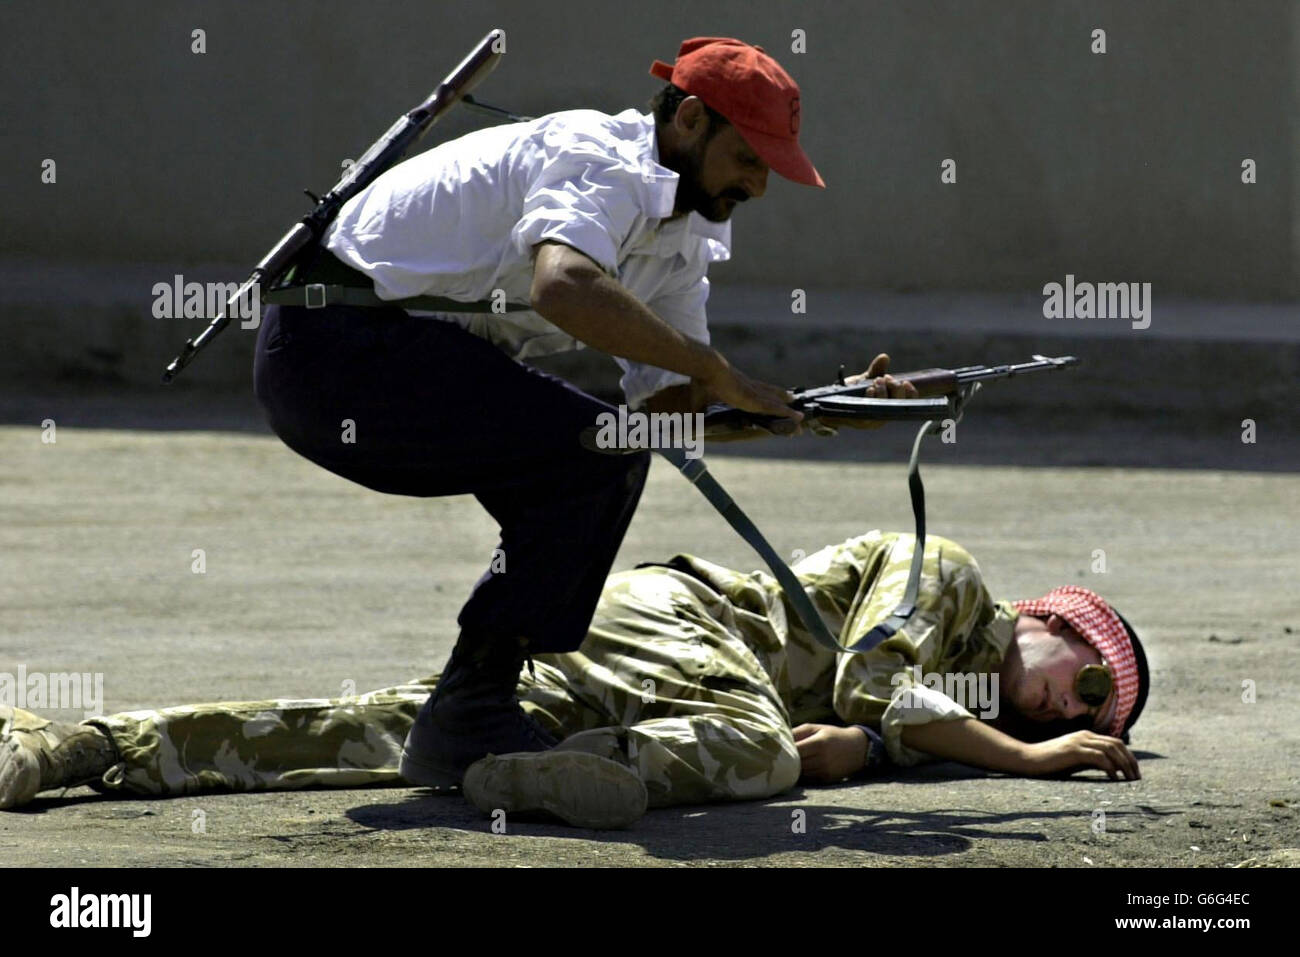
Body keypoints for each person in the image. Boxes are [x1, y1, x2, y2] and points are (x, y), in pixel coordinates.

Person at [250, 35, 916, 790]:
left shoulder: (683, 238)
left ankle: (472, 707)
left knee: (602, 456)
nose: (758, 187)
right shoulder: (601, 158)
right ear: (692, 119)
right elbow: (561, 286)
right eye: (749, 159)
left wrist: (812, 409)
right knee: (592, 457)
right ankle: (469, 713)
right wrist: (718, 372)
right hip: (331, 350)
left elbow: (666, 409)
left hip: (391, 364)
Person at [0, 529, 1149, 830]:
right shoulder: (947, 576)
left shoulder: (940, 729)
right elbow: (864, 699)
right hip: (675, 623)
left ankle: (83, 748)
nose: (1076, 707)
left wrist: (876, 751)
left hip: (665, 686)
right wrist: (1028, 758)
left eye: (1101, 719)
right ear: (1052, 621)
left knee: (397, 732)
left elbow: (857, 741)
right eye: (1089, 683)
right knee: (753, 753)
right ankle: (569, 777)